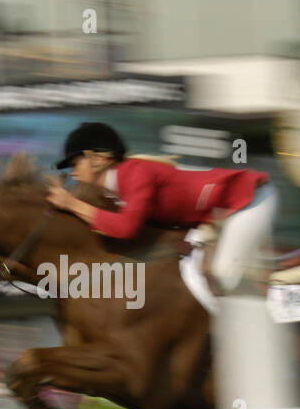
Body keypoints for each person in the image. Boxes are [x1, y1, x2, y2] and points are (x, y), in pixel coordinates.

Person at [45, 122, 277, 293]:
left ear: (99, 159)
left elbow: (126, 229)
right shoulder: (116, 189)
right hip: (220, 215)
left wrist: (72, 204)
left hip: (249, 200)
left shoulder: (136, 174)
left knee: (221, 276)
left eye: (76, 162)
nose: (72, 171)